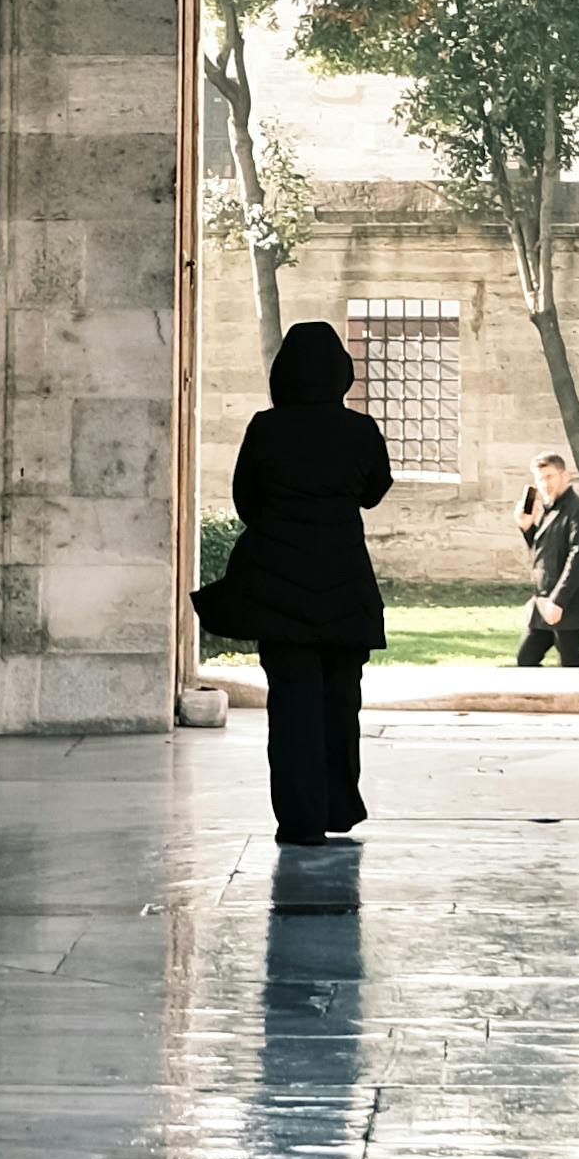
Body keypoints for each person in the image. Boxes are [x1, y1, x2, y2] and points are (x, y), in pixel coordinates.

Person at [199, 317, 391, 847]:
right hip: (344, 584)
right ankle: (337, 805)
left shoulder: (265, 427)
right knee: (339, 701)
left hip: (280, 586)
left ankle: (299, 818)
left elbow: (245, 500)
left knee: (292, 706)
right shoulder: (359, 430)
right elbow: (374, 492)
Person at [517, 451, 579, 666]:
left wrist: (558, 601)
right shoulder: (546, 509)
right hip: (542, 602)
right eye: (540, 479)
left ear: (565, 476)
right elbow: (544, 553)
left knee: (569, 669)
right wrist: (527, 529)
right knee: (526, 660)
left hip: (568, 604)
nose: (545, 484)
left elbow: (578, 557)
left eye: (549, 477)